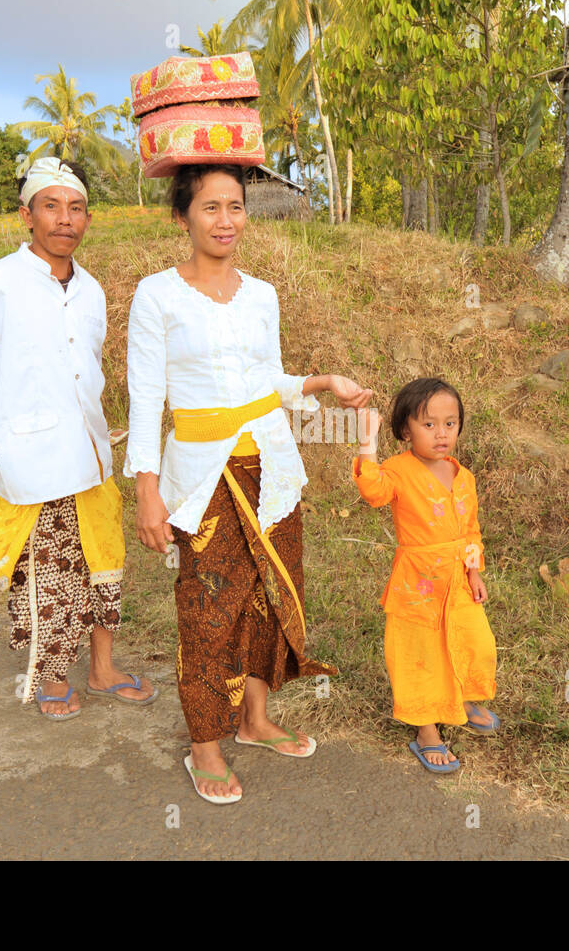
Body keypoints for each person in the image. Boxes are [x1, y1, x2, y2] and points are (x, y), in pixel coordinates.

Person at [125, 162, 372, 803]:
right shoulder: (157, 295)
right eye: (210, 207)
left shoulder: (262, 295)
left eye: (235, 206)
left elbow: (271, 384)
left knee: (269, 595)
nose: (226, 220)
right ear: (182, 216)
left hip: (272, 469)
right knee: (207, 610)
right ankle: (204, 746)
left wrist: (321, 385)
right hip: (202, 477)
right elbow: (146, 398)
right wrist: (146, 489)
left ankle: (256, 719)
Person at [0, 156, 156, 720]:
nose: (65, 219)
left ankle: (103, 668)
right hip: (30, 463)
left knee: (103, 561)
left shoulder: (93, 291)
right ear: (26, 216)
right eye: (51, 206)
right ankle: (53, 676)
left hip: (92, 453)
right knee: (50, 571)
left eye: (76, 207)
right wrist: (5, 428)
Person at [353, 378, 499, 772]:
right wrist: (367, 441)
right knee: (420, 654)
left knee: (474, 641)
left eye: (450, 424)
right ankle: (427, 730)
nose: (441, 433)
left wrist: (475, 571)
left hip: (459, 581)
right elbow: (373, 491)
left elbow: (470, 530)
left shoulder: (462, 476)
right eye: (429, 424)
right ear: (405, 430)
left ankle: (462, 699)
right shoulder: (398, 470)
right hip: (417, 584)